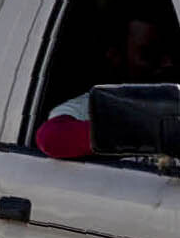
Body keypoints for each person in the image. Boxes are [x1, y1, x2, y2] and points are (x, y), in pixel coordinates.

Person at [37, 12, 179, 159]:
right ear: (116, 56)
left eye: (175, 53)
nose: (168, 63)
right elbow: (52, 136)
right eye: (149, 54)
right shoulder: (91, 106)